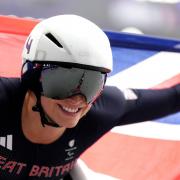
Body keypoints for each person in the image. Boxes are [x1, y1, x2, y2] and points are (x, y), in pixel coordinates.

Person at [0, 14, 179, 180]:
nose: (78, 99)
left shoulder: (103, 110)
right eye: (63, 82)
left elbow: (173, 98)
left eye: (91, 85)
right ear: (31, 78)